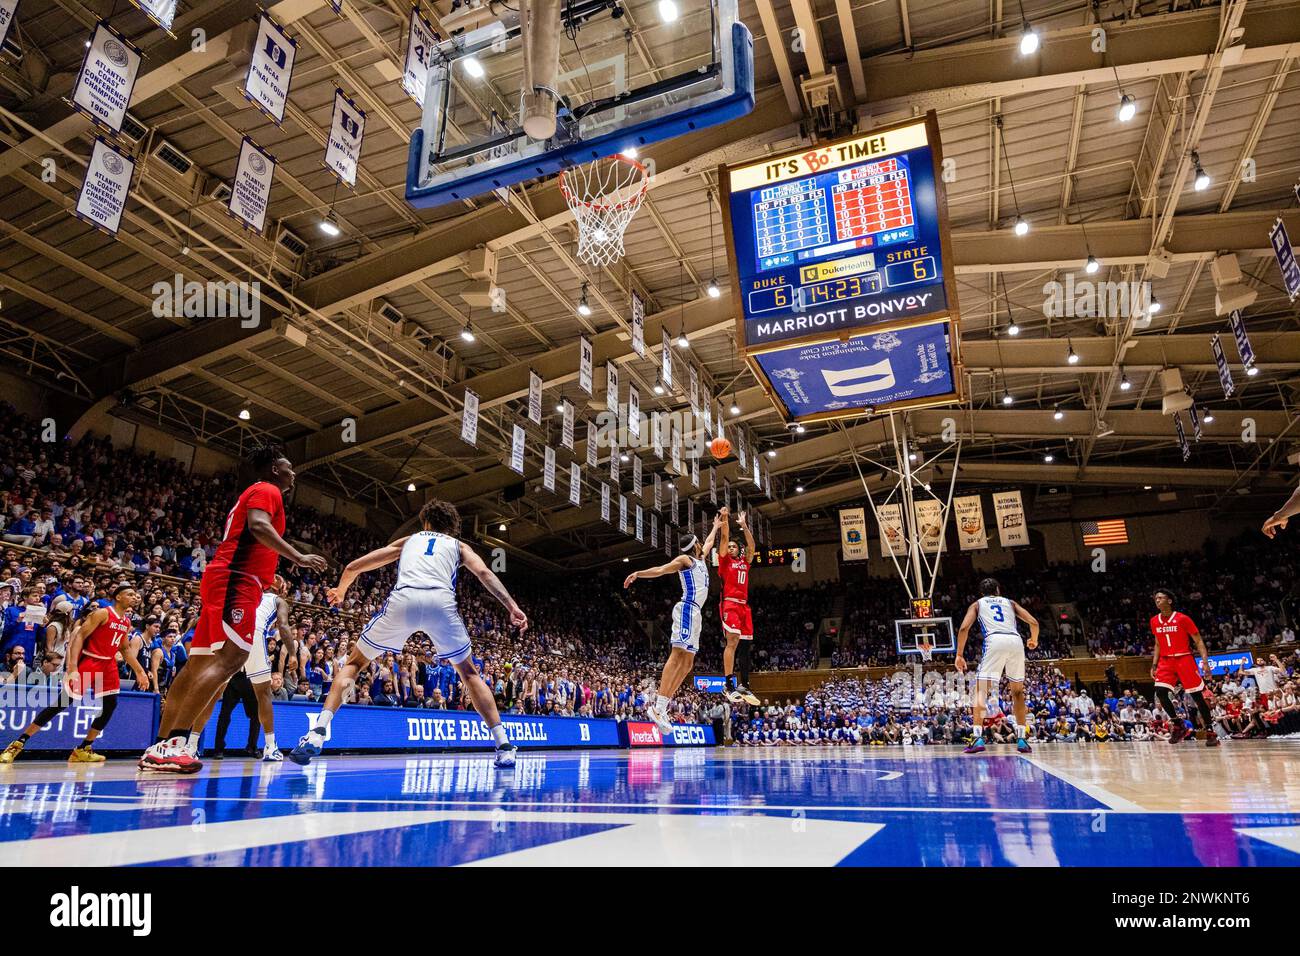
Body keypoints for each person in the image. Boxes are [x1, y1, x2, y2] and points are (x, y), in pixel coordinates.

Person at [289, 499, 528, 769]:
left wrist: (341, 590)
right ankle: (504, 745)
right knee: (469, 673)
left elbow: (354, 566)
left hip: (403, 600)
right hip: (441, 603)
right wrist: (512, 606)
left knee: (355, 663)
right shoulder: (459, 546)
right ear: (451, 527)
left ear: (425, 522)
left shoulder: (409, 540)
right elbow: (485, 572)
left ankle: (318, 732)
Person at [138, 445, 327, 773]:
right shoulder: (267, 489)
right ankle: (176, 744)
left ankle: (160, 744)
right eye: (288, 467)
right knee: (232, 659)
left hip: (225, 578)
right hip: (237, 579)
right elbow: (257, 526)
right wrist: (298, 557)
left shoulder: (256, 491)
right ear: (272, 470)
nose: (292, 473)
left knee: (196, 668)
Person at [0, 584, 149, 764]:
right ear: (118, 597)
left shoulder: (126, 621)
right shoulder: (102, 613)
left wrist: (140, 671)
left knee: (110, 705)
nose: (135, 597)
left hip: (108, 664)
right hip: (91, 660)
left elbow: (124, 648)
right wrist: (72, 668)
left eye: (135, 594)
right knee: (62, 703)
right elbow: (78, 637)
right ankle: (18, 743)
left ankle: (84, 748)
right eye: (130, 594)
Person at [623, 513, 721, 733]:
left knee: (688, 665)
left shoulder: (701, 558)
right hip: (686, 608)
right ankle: (658, 706)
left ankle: (663, 708)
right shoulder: (684, 560)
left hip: (696, 614)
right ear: (694, 545)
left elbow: (709, 542)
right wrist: (638, 573)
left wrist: (715, 527)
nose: (702, 545)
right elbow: (661, 570)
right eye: (699, 542)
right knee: (677, 656)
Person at [187, 576, 294, 761]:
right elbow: (283, 626)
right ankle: (270, 747)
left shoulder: (247, 592)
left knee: (213, 695)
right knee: (263, 695)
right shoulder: (278, 601)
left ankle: (191, 745)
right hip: (252, 637)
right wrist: (292, 653)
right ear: (281, 589)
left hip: (231, 638)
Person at [954, 578, 1039, 755]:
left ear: (981, 593)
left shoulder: (977, 604)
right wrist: (1033, 640)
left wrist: (959, 655)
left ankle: (977, 737)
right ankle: (1022, 739)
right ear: (998, 590)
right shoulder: (1010, 602)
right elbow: (1034, 622)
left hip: (994, 640)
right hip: (1015, 641)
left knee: (981, 691)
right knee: (1017, 692)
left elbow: (963, 629)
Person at [1148, 588, 1219, 747]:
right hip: (1166, 661)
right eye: (1155, 599)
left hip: (1184, 658)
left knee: (1197, 698)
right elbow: (1158, 643)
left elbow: (1199, 641)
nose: (1157, 600)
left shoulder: (1183, 619)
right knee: (1160, 692)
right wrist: (1154, 664)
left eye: (1160, 598)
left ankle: (1210, 732)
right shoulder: (1154, 621)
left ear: (1169, 601)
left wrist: (1205, 663)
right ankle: (1178, 724)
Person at [716, 508, 760, 707]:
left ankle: (745, 684)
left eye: (735, 546)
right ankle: (728, 684)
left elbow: (752, 546)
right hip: (730, 604)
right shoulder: (724, 561)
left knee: (745, 647)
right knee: (732, 642)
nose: (731, 548)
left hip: (744, 607)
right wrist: (725, 519)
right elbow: (724, 538)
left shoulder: (745, 562)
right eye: (730, 546)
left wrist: (744, 526)